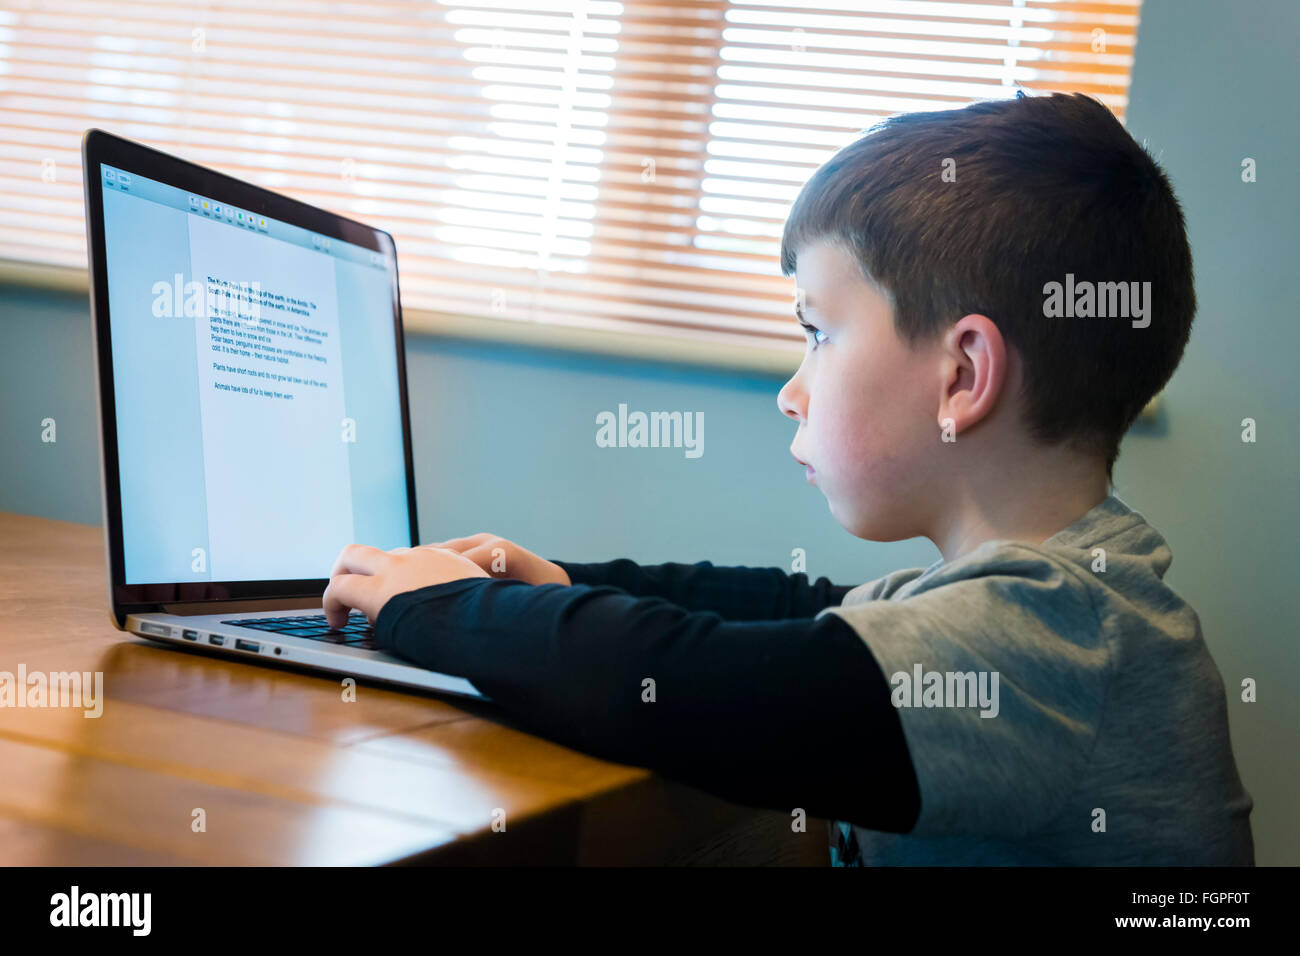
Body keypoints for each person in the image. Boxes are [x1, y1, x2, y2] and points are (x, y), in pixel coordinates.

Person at [321, 92, 1254, 865]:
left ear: (962, 376)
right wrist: (568, 584)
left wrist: (439, 611)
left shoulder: (1058, 639)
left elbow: (717, 686)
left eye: (818, 333)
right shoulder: (1038, 591)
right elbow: (788, 608)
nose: (791, 393)